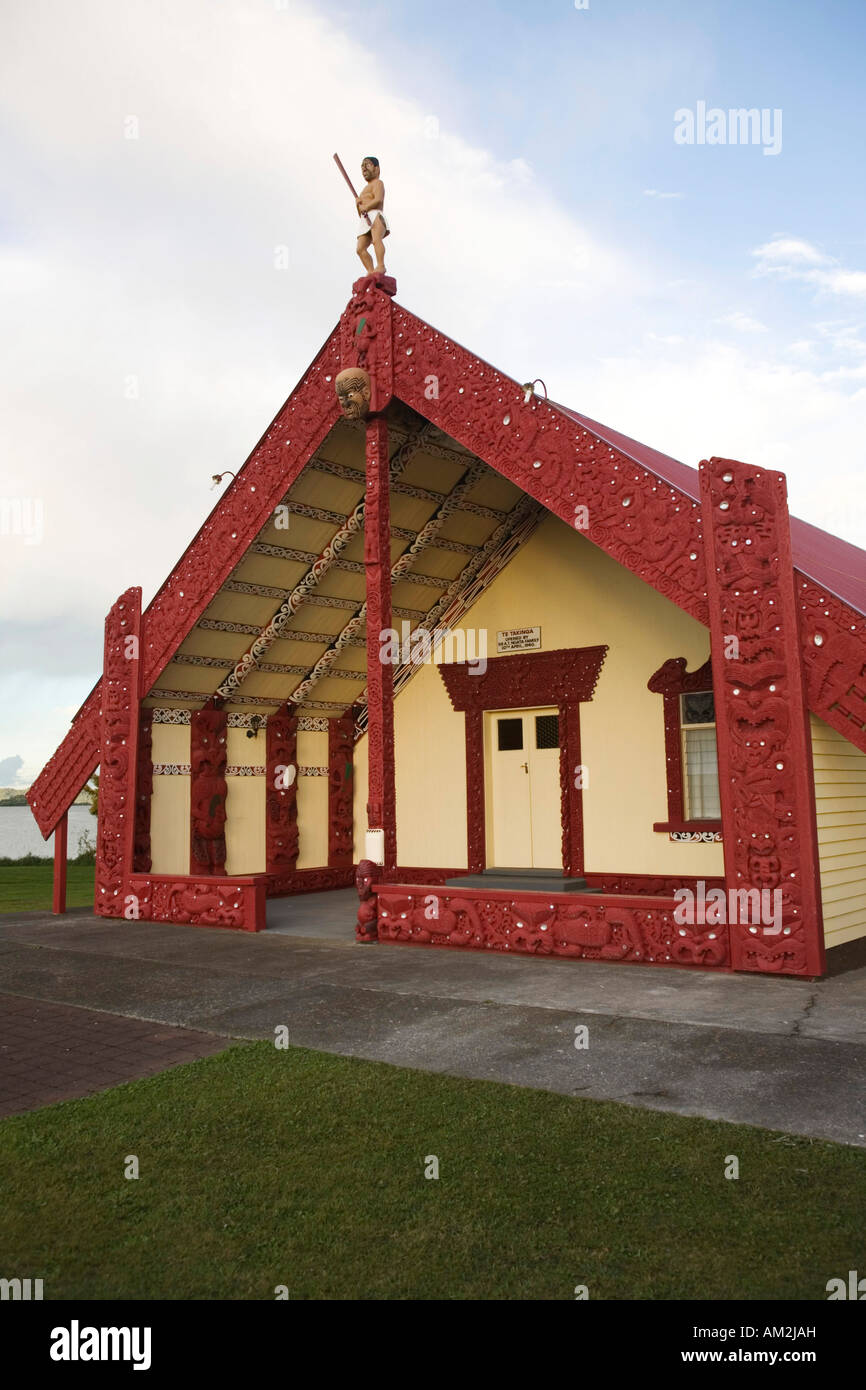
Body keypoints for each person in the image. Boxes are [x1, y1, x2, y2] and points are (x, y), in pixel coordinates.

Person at [355, 156, 389, 274]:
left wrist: (365, 206)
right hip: (366, 219)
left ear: (376, 169)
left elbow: (378, 200)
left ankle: (381, 265)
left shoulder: (378, 183)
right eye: (362, 166)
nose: (364, 168)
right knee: (360, 249)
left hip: (375, 216)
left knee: (376, 240)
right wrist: (358, 205)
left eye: (367, 165)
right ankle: (370, 270)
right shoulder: (363, 190)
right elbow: (360, 213)